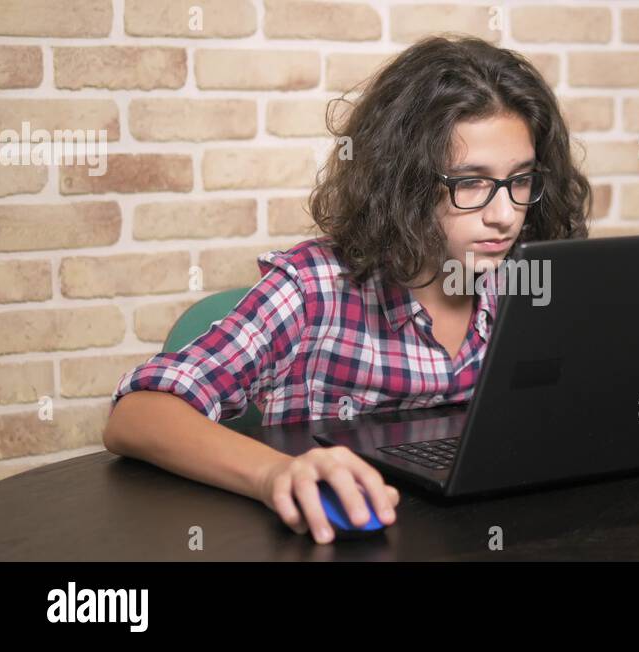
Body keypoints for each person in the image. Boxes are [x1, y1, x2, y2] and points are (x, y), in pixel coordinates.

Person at [103, 35, 591, 544]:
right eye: (470, 182)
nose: (506, 214)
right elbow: (137, 414)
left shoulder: (525, 284)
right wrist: (274, 474)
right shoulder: (315, 289)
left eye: (520, 180)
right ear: (405, 181)